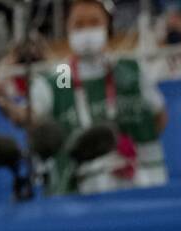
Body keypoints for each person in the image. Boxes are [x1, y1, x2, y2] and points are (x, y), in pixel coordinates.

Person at [30, 0, 168, 193]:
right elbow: (33, 122)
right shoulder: (57, 77)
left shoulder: (130, 70)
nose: (87, 31)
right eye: (78, 24)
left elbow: (159, 117)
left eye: (94, 22)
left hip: (138, 186)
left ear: (108, 27)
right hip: (78, 194)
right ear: (67, 29)